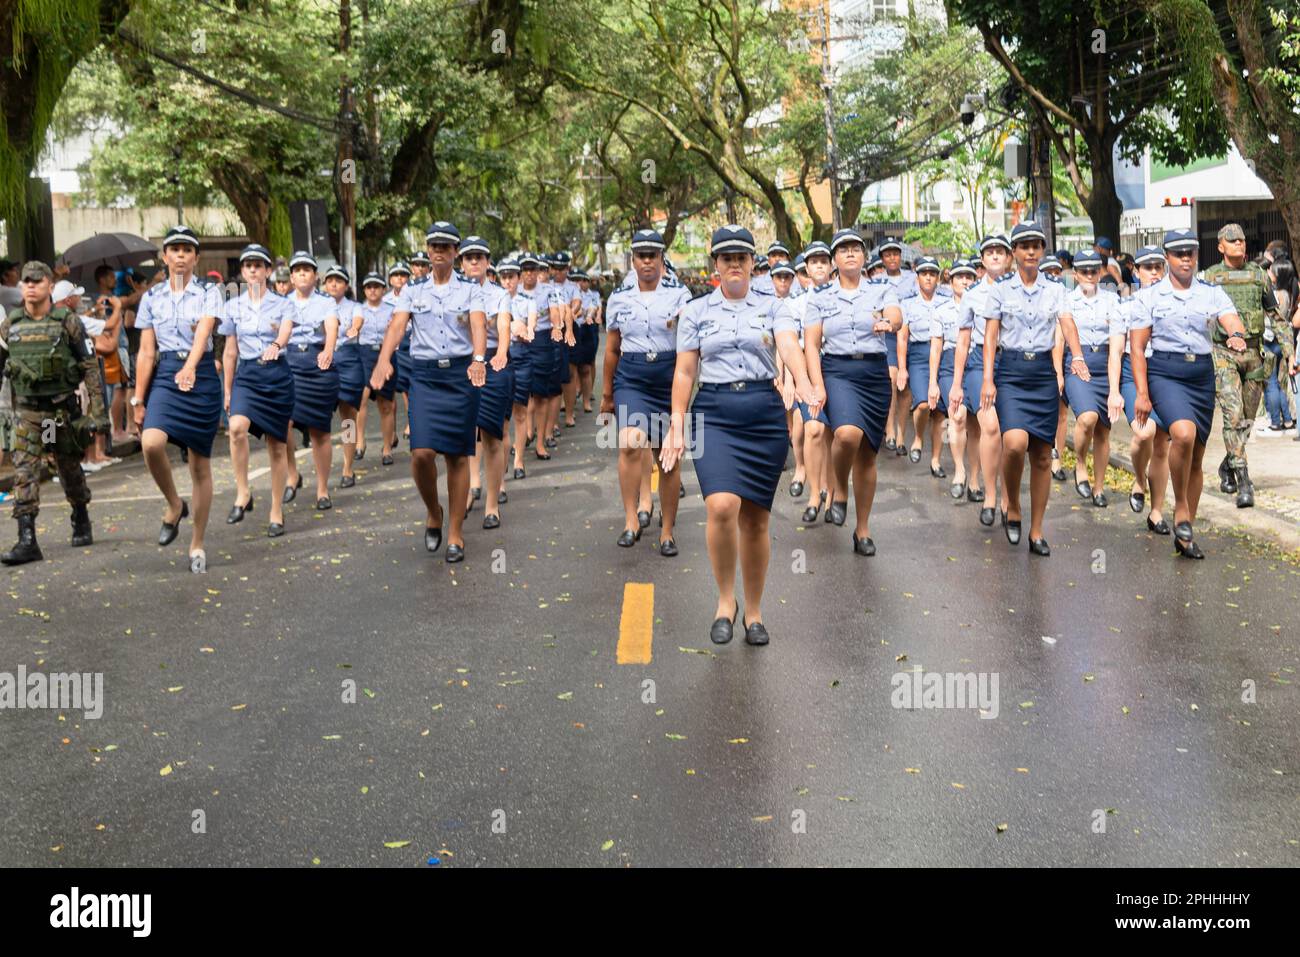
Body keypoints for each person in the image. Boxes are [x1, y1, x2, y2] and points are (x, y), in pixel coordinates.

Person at [660, 225, 815, 646]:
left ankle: (755, 611)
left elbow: (787, 346)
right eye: (725, 257)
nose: (733, 264)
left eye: (741, 257)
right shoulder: (695, 312)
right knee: (722, 506)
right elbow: (685, 371)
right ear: (715, 265)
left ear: (753, 263)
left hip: (763, 415)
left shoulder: (773, 306)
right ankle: (725, 601)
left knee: (756, 519)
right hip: (714, 415)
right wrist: (676, 422)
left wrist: (802, 382)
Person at [369, 220, 487, 563]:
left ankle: (455, 533)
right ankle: (433, 510)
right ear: (428, 250)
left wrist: (479, 359)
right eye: (434, 246)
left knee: (457, 455)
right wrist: (383, 360)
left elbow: (478, 324)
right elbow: (396, 326)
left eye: (446, 247)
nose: (439, 252)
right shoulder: (412, 289)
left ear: (455, 253)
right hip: (424, 378)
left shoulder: (470, 288)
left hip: (461, 375)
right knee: (421, 453)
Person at [1128, 229, 1249, 559]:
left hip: (1201, 376)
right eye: (1179, 253)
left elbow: (1229, 316)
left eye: (1191, 253)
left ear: (1197, 256)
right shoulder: (1149, 298)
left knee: (1196, 457)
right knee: (1183, 432)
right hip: (1165, 373)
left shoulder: (1210, 292)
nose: (1185, 258)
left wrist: (1236, 334)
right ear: (1167, 257)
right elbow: (1137, 349)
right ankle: (1180, 507)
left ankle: (1185, 533)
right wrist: (1141, 393)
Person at [981, 221, 1087, 557]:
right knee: (1014, 444)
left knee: (1042, 456)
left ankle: (1037, 531)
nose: (1030, 251)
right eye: (1024, 246)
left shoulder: (1055, 289)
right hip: (1011, 372)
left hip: (1042, 372)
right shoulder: (1000, 289)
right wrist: (987, 379)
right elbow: (990, 337)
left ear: (1042, 252)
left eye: (1036, 246)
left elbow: (1067, 322)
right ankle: (1012, 504)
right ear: (1014, 253)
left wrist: (1078, 356)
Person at [0, 262, 108, 565]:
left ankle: (80, 515)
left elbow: (89, 367)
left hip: (57, 413)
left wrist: (97, 412)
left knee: (66, 467)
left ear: (49, 284)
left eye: (37, 280)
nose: (31, 286)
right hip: (29, 414)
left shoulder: (68, 322)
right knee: (25, 471)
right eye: (26, 281)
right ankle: (27, 539)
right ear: (21, 287)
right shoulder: (11, 325)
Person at [802, 228, 901, 555]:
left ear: (863, 256)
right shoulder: (820, 297)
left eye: (855, 248)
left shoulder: (880, 288)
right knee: (845, 435)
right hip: (837, 371)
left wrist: (891, 324)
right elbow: (812, 345)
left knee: (868, 455)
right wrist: (817, 385)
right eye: (842, 249)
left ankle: (862, 529)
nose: (849, 253)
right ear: (834, 260)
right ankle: (838, 490)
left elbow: (897, 316)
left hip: (873, 373)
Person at [131, 226, 224, 570]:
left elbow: (204, 332)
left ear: (196, 258)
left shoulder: (210, 292)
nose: (181, 255)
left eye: (188, 249)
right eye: (175, 249)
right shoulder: (151, 298)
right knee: (151, 443)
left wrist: (190, 366)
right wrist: (138, 400)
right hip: (167, 376)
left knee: (200, 465)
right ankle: (174, 505)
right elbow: (144, 352)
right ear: (165, 256)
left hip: (200, 378)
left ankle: (197, 544)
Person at [601, 229, 689, 553]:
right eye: (642, 255)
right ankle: (631, 519)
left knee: (668, 459)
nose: (648, 260)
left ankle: (667, 531)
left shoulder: (680, 296)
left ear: (661, 257)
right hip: (632, 378)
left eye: (653, 254)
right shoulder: (619, 298)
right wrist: (608, 394)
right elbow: (611, 349)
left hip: (669, 378)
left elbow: (689, 348)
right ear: (633, 259)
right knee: (629, 442)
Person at [1203, 223, 1285, 508]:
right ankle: (1244, 481)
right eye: (1232, 240)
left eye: (1241, 240)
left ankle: (1228, 464)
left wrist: (1290, 352)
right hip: (1223, 354)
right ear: (1220, 246)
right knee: (1233, 417)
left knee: (1246, 421)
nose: (1239, 243)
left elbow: (1276, 317)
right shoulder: (1210, 278)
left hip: (1253, 355)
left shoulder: (1258, 275)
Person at [219, 244, 295, 536]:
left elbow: (286, 329)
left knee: (276, 445)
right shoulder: (232, 306)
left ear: (267, 271)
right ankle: (243, 492)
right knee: (236, 428)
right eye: (247, 265)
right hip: (247, 375)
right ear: (242, 271)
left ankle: (276, 510)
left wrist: (276, 344)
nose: (252, 269)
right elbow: (229, 351)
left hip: (277, 375)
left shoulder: (282, 303)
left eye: (258, 265)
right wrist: (227, 390)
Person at [1109, 246, 1175, 534]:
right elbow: (1115, 353)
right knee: (1144, 432)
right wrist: (1114, 391)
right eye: (1148, 267)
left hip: (1162, 372)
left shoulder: (1173, 304)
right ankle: (1139, 478)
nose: (1155, 272)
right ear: (1136, 271)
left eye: (1159, 266)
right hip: (1130, 373)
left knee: (1161, 444)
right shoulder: (1124, 307)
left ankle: (1157, 512)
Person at [950, 234, 1012, 526]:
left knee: (1011, 435)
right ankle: (990, 494)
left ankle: (1007, 497)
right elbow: (962, 342)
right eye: (990, 253)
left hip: (1009, 362)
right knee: (989, 425)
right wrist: (956, 384)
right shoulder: (972, 294)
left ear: (1009, 257)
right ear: (983, 260)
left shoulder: (1018, 289)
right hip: (977, 362)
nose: (996, 256)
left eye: (1001, 252)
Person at [458, 235, 513, 528]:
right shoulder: (451, 292)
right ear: (462, 262)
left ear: (488, 262)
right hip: (461, 366)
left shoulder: (499, 295)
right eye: (469, 257)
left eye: (480, 256)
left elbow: (502, 325)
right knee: (466, 435)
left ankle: (492, 503)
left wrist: (502, 353)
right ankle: (470, 488)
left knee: (492, 435)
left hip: (493, 363)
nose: (475, 261)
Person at [281, 252, 340, 510]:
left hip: (318, 364)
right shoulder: (282, 303)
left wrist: (328, 351)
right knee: (282, 423)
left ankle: (323, 489)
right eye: (298, 270)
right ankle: (292, 473)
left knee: (320, 431)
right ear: (292, 277)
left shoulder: (326, 302)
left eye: (308, 269)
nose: (303, 273)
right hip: (290, 363)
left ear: (316, 276)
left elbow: (332, 328)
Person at [1060, 250, 1118, 507]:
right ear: (1075, 274)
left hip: (1105, 365)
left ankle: (1098, 487)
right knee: (1087, 418)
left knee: (1104, 431)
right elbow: (1058, 339)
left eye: (1094, 271)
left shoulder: (1112, 300)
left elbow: (1118, 340)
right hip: (1077, 364)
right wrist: (1058, 373)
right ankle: (1081, 462)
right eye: (1084, 271)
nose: (1090, 276)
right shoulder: (1066, 301)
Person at [928, 258, 977, 498]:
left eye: (969, 277)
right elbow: (936, 348)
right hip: (949, 365)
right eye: (960, 277)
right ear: (951, 281)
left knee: (978, 424)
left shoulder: (984, 306)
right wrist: (932, 382)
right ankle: (960, 470)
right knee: (957, 416)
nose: (965, 281)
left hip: (977, 363)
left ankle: (976, 479)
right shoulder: (941, 311)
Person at [896, 256, 946, 475]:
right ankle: (917, 437)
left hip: (943, 354)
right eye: (924, 273)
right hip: (918, 356)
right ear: (917, 277)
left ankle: (935, 460)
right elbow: (902, 338)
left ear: (938, 277)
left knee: (940, 414)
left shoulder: (945, 300)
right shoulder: (907, 303)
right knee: (923, 404)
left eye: (932, 273)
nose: (928, 277)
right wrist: (902, 369)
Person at [353, 273, 401, 473]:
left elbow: (398, 333)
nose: (372, 290)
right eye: (368, 286)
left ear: (383, 290)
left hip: (385, 353)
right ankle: (356, 442)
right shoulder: (357, 310)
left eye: (376, 286)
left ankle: (387, 447)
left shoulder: (392, 310)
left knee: (386, 404)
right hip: (362, 355)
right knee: (355, 402)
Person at [323, 266, 365, 489]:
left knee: (348, 416)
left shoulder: (355, 307)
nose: (334, 284)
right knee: (320, 418)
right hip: (323, 360)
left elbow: (358, 322)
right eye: (330, 280)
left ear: (346, 285)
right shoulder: (317, 305)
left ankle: (348, 467)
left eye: (339, 281)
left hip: (348, 360)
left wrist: (354, 329)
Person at [878, 236, 916, 454]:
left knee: (906, 389)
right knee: (893, 378)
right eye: (887, 254)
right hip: (890, 336)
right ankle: (889, 428)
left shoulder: (912, 278)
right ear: (882, 258)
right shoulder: (877, 281)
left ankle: (901, 436)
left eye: (895, 253)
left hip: (913, 335)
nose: (892, 257)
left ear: (900, 255)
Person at [503, 257, 537, 480]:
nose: (508, 282)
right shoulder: (493, 301)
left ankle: (519, 460)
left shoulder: (527, 301)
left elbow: (531, 327)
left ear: (518, 278)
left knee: (520, 411)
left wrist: (527, 331)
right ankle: (502, 461)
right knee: (502, 414)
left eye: (511, 277)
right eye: (504, 277)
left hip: (522, 356)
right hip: (502, 358)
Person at [1261, 256, 1297, 433]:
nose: (1269, 273)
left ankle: (1275, 421)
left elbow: (1271, 319)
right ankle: (1288, 421)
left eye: (1272, 271)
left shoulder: (1274, 295)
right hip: (1284, 342)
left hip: (1270, 340)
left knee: (1271, 382)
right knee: (1282, 382)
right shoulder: (1289, 292)